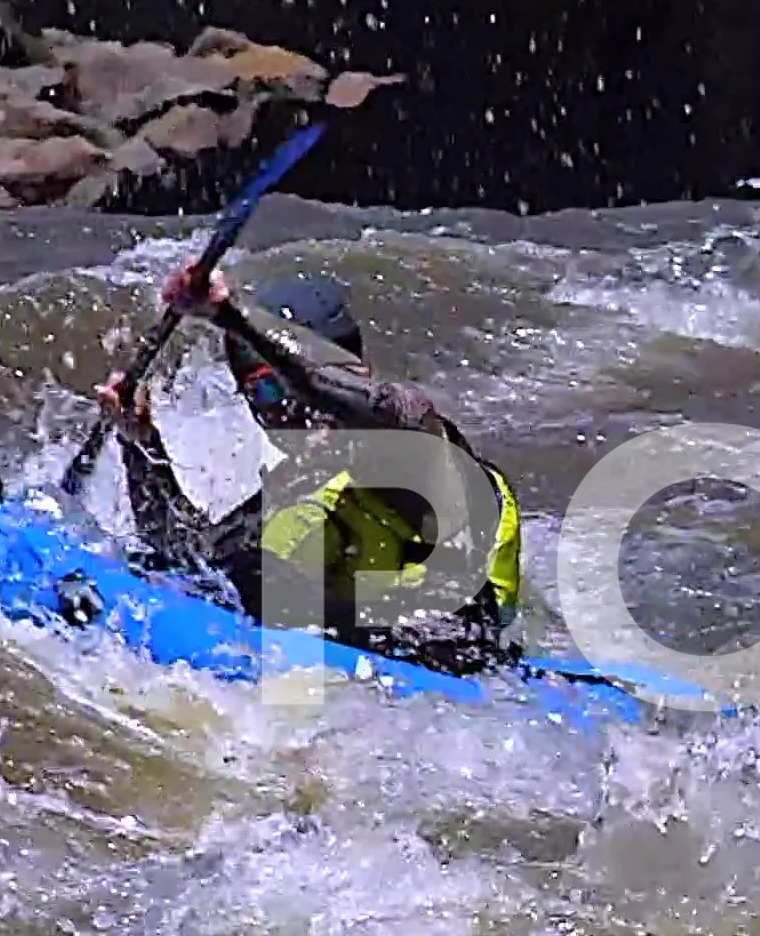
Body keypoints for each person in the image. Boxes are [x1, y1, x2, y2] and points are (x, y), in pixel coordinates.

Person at [95, 267, 526, 676]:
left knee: (256, 575)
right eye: (264, 392)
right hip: (364, 646)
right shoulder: (302, 481)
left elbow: (376, 406)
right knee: (225, 569)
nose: (286, 412)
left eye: (289, 386)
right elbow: (189, 557)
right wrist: (140, 442)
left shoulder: (414, 450)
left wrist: (232, 317)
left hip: (458, 650)